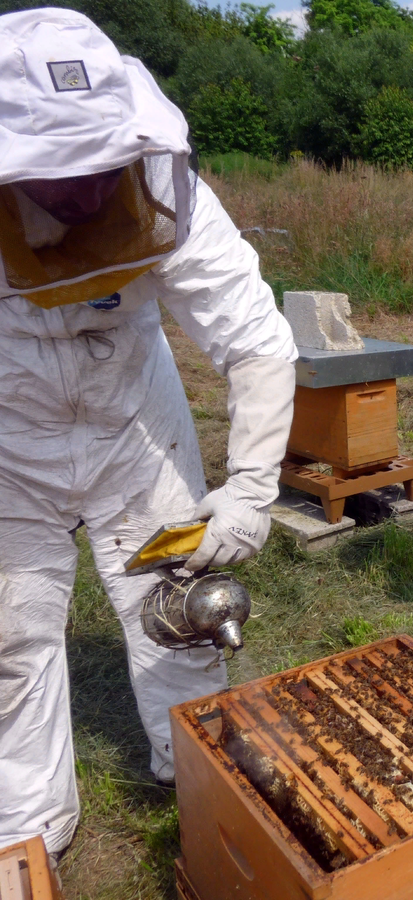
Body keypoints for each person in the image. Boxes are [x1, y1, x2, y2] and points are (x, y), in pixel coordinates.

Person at [0, 9, 297, 857]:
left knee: (183, 608)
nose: (95, 190)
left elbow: (256, 339)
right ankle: (30, 832)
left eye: (107, 165)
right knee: (11, 637)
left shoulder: (167, 188)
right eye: (67, 174)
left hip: (136, 420)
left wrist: (247, 491)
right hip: (9, 434)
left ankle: (198, 773)